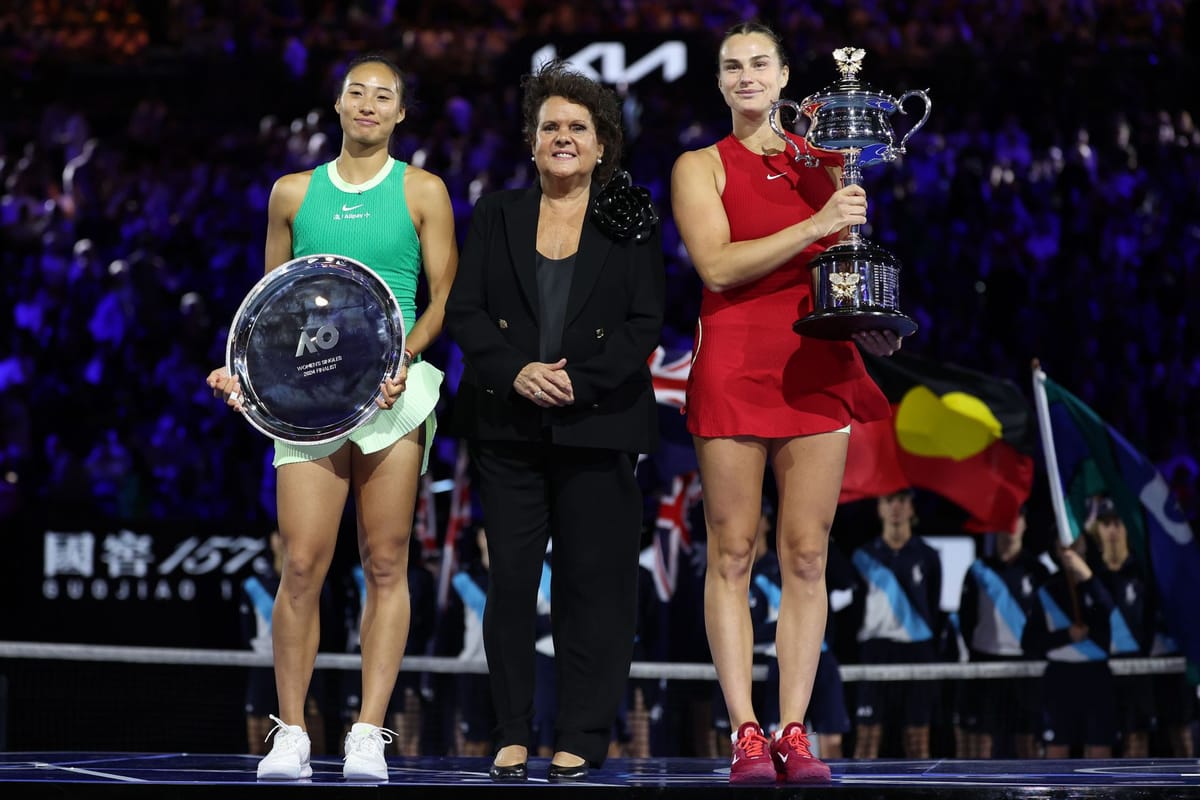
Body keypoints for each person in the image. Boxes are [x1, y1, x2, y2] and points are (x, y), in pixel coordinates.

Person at [208, 53, 457, 782]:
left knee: (385, 563)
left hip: (392, 397)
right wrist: (242, 372)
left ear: (401, 113)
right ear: (340, 105)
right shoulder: (291, 193)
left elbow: (443, 296)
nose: (369, 104)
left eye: (385, 96)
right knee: (305, 566)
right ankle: (291, 734)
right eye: (358, 92)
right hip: (307, 406)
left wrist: (402, 358)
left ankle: (367, 733)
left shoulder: (423, 190)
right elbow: (272, 305)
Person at [669, 20, 900, 784]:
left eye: (758, 64)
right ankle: (744, 732)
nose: (745, 77)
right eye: (732, 66)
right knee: (733, 552)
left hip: (816, 366)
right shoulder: (699, 166)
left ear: (782, 75)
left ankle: (794, 731)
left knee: (806, 554)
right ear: (721, 80)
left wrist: (868, 318)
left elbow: (840, 261)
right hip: (735, 365)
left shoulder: (829, 160)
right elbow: (718, 266)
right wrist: (820, 222)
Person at [445, 60, 664, 782]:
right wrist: (516, 372)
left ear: (604, 145)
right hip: (507, 426)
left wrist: (576, 380)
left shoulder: (631, 216)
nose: (563, 137)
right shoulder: (497, 214)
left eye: (578, 127)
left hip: (598, 425)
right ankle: (510, 732)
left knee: (591, 587)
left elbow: (643, 324)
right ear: (531, 142)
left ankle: (580, 734)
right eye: (550, 127)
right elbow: (467, 314)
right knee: (509, 582)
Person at [849, 489, 944, 760]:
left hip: (918, 651)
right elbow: (855, 609)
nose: (895, 507)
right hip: (874, 651)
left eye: (902, 500)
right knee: (867, 739)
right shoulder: (862, 556)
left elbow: (934, 607)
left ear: (912, 508)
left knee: (917, 741)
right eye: (888, 500)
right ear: (879, 508)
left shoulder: (928, 556)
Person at [957, 506, 1050, 758]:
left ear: (1025, 524)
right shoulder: (977, 570)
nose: (1010, 526)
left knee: (1027, 743)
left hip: (1026, 668)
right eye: (1004, 519)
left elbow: (1048, 622)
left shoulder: (1038, 572)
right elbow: (966, 619)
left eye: (1016, 517)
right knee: (981, 745)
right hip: (986, 665)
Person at [1022, 534, 1115, 759]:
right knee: (1056, 746)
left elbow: (1114, 618)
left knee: (1099, 746)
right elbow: (1029, 643)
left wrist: (1088, 578)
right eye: (1063, 543)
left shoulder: (1103, 582)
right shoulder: (1048, 590)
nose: (1070, 549)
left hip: (1096, 676)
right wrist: (1066, 636)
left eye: (1076, 542)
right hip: (1059, 678)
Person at [1087, 496, 1154, 757]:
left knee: (1137, 740)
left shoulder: (1142, 574)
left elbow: (1149, 622)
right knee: (1098, 741)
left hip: (1136, 670)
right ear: (1098, 529)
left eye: (1118, 523)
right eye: (1106, 524)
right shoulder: (1091, 576)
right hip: (1099, 671)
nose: (1112, 530)